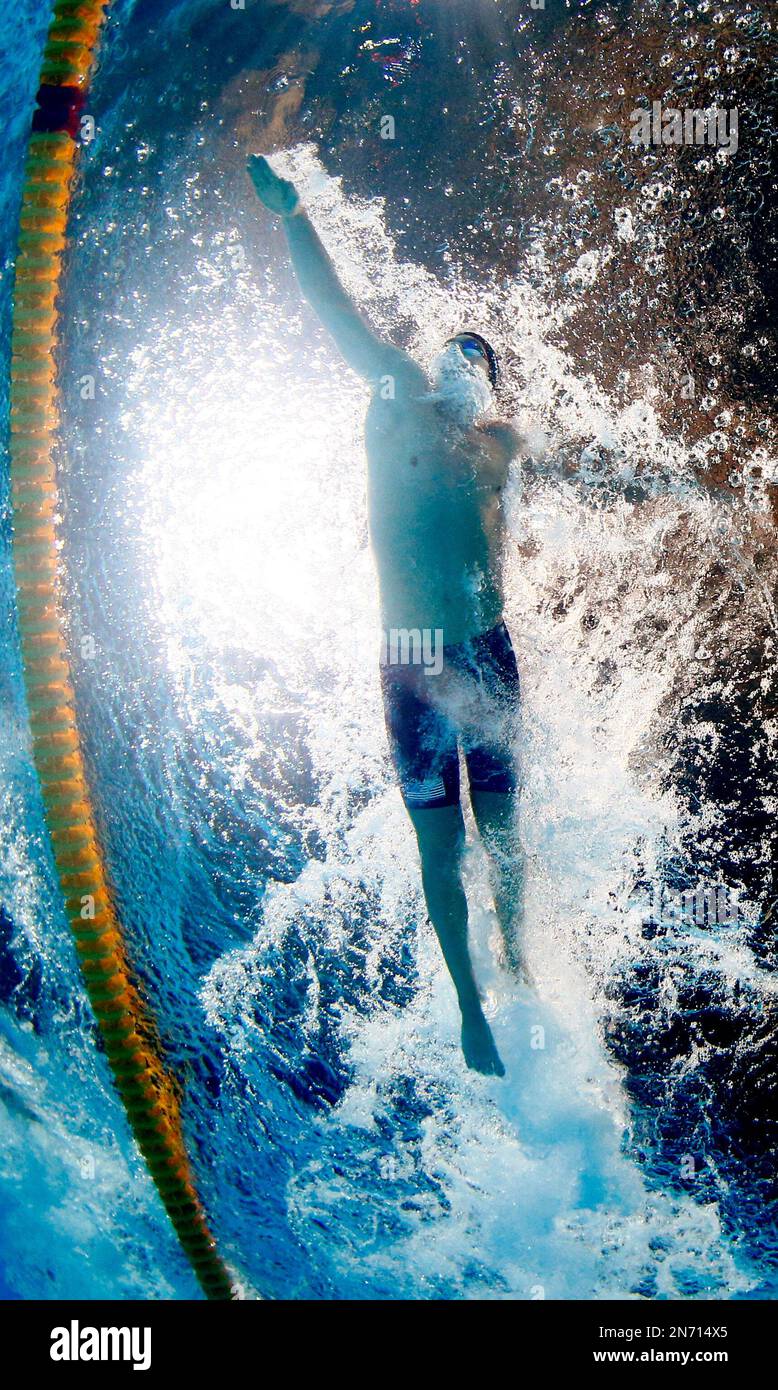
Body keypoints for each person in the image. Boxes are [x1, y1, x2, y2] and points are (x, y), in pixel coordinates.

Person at [248, 154, 528, 1076]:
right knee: (439, 838)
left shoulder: (498, 449)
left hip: (487, 650)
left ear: (490, 387)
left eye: (478, 358)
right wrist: (294, 220)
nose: (460, 358)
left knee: (505, 826)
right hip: (410, 651)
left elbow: (606, 476)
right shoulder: (395, 404)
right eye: (456, 347)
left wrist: (704, 490)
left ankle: (522, 960)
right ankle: (469, 1005)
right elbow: (339, 319)